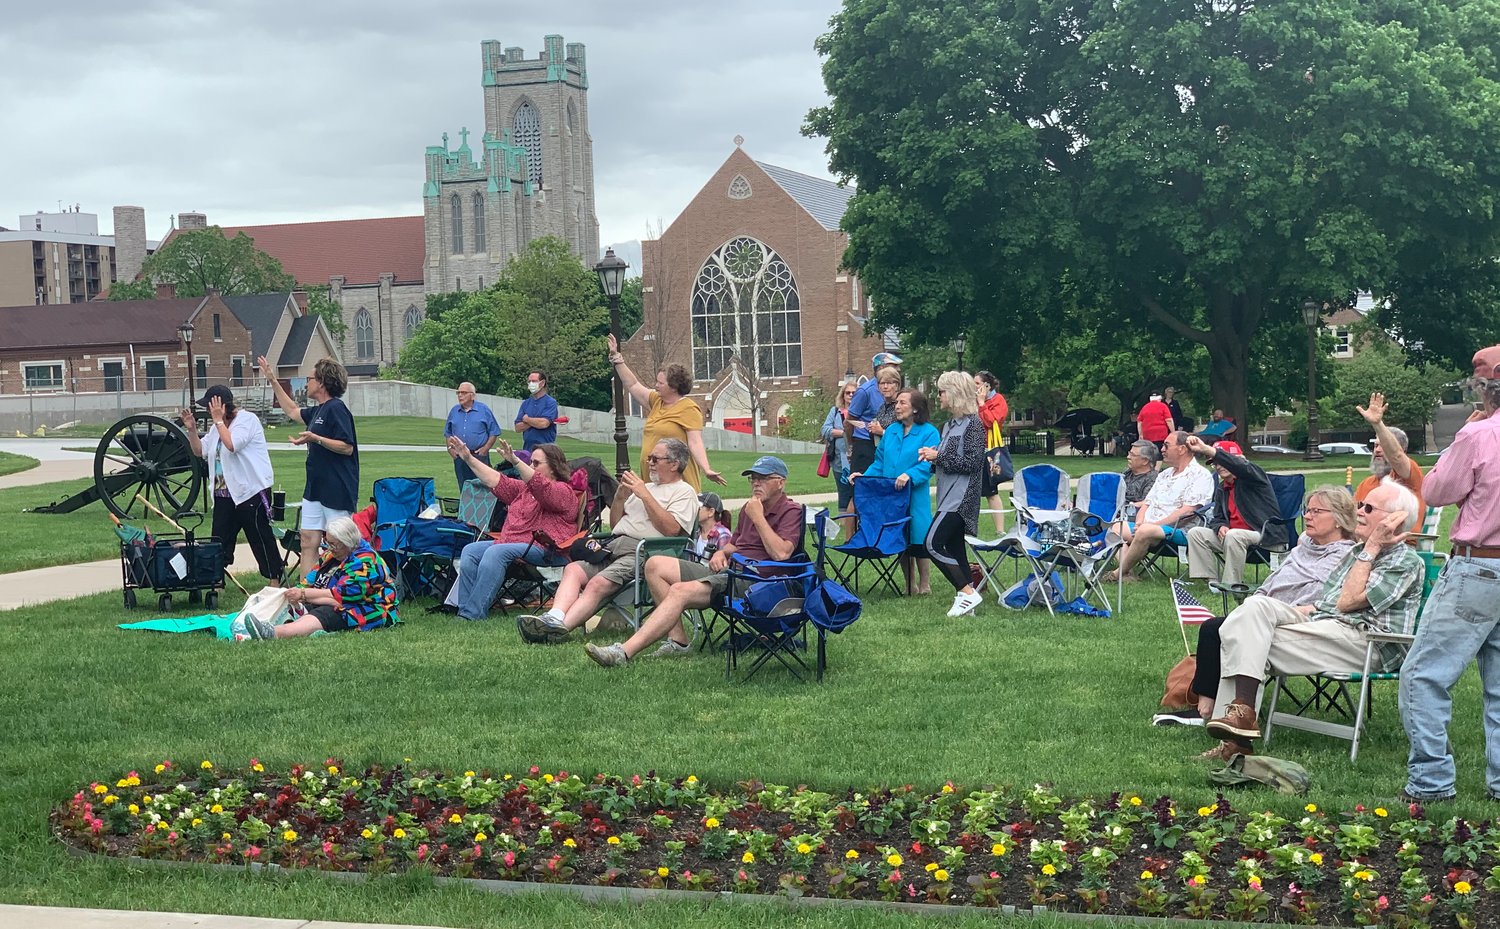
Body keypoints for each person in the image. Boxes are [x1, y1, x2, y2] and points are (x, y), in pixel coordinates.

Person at [1201, 480, 1424, 758]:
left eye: (1368, 507)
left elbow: (1348, 602)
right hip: (1327, 626)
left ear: (1394, 520)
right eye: (1359, 506)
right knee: (1254, 611)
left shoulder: (1404, 560)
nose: (1360, 513)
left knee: (1243, 637)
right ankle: (1241, 719)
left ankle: (1235, 743)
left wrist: (1373, 546)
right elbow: (1329, 603)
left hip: (1368, 642)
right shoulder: (1357, 552)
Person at [584, 456, 803, 667]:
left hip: (757, 582)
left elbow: (781, 554)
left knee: (680, 590)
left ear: (780, 482)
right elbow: (737, 544)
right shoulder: (751, 507)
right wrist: (722, 553)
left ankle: (623, 652)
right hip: (730, 573)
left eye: (763, 478)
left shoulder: (790, 511)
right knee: (655, 564)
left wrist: (759, 517)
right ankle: (678, 641)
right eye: (753, 478)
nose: (756, 483)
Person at [1186, 489, 1357, 753]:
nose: (1308, 516)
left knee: (1241, 626)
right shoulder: (1303, 550)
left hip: (1303, 620)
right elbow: (1271, 583)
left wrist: (1268, 606)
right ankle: (1232, 725)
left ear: (1338, 519)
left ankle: (1235, 721)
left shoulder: (1349, 556)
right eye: (1307, 510)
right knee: (1226, 627)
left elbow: (1335, 601)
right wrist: (1258, 600)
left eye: (1316, 511)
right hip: (1265, 615)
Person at [1399, 371, 1500, 803]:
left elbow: (1437, 491)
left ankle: (1432, 782)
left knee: (1422, 675)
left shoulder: (1478, 434)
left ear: (1487, 395)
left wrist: (1465, 431)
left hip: (1479, 568)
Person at [516, 438, 697, 644]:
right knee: (573, 569)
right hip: (614, 545)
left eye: (655, 458)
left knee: (598, 583)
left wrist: (645, 496)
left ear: (674, 464)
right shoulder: (645, 487)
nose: (650, 463)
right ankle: (554, 617)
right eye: (649, 458)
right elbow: (616, 523)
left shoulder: (684, 492)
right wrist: (620, 496)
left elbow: (672, 530)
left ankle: (556, 631)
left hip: (645, 552)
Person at [446, 438, 579, 622]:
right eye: (530, 462)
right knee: (470, 551)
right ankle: (465, 609)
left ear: (554, 467)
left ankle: (472, 614)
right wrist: (468, 458)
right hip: (514, 543)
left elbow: (542, 486)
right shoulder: (525, 489)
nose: (531, 466)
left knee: (496, 552)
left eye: (536, 463)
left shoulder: (563, 491)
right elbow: (495, 480)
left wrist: (516, 462)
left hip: (546, 548)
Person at [258, 355, 357, 580]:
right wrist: (272, 380)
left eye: (310, 378)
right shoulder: (318, 410)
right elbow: (292, 411)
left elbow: (347, 447)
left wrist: (316, 438)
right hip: (315, 489)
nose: (307, 382)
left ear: (322, 382)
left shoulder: (336, 409)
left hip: (336, 489)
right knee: (307, 540)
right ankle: (306, 594)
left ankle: (345, 588)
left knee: (340, 543)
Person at [178, 384, 282, 581]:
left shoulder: (247, 420)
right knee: (219, 539)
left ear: (220, 405)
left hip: (250, 490)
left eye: (210, 407)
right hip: (223, 492)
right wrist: (191, 430)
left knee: (259, 536)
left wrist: (218, 421)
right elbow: (200, 450)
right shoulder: (216, 427)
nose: (208, 412)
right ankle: (216, 580)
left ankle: (274, 577)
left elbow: (232, 444)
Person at [237, 517, 398, 639]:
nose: (329, 548)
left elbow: (343, 597)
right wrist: (297, 593)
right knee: (293, 603)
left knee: (326, 613)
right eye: (328, 543)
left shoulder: (364, 562)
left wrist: (304, 595)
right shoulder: (331, 554)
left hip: (368, 607)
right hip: (335, 600)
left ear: (348, 543)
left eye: (334, 544)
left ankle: (275, 633)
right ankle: (251, 626)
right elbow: (310, 580)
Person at [607, 334, 726, 490]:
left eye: (660, 383)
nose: (656, 385)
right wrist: (617, 359)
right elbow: (633, 384)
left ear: (674, 387)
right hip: (653, 481)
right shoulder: (656, 401)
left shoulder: (689, 409)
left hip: (677, 484)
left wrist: (706, 468)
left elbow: (695, 442)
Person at [853, 388, 940, 595]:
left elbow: (929, 463)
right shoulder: (891, 430)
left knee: (918, 536)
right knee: (899, 536)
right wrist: (864, 476)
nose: (897, 407)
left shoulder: (929, 432)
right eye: (897, 403)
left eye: (902, 403)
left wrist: (910, 474)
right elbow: (880, 461)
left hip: (914, 493)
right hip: (892, 495)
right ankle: (910, 583)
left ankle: (925, 583)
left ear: (916, 409)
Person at [920, 371, 986, 617]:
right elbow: (949, 460)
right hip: (948, 494)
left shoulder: (974, 425)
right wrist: (931, 457)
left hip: (962, 498)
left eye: (941, 391)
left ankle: (968, 593)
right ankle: (968, 603)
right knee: (955, 547)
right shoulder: (949, 426)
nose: (938, 397)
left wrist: (939, 456)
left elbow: (972, 463)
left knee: (932, 544)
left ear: (955, 393)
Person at [1108, 431, 1215, 581]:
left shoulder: (1200, 475)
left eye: (1166, 445)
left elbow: (1188, 511)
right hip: (1149, 526)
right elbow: (1147, 503)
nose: (1162, 450)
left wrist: (1152, 525)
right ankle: (1127, 574)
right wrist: (1140, 522)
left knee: (1145, 530)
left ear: (1182, 449)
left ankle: (1116, 574)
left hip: (1179, 529)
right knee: (1115, 528)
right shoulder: (1164, 474)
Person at [1184, 438, 1277, 588]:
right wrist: (1221, 526)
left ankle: (1230, 585)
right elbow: (1218, 517)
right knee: (1196, 533)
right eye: (1216, 463)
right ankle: (1212, 582)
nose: (1219, 466)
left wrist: (1207, 450)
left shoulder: (1254, 477)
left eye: (1223, 462)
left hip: (1262, 533)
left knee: (1234, 535)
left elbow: (1241, 466)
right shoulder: (1222, 487)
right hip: (1231, 537)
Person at [1354, 391, 1425, 517]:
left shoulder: (1409, 478)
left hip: (1399, 536)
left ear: (1402, 450)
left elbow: (1396, 456)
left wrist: (1377, 424)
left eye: (1383, 446)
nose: (1377, 450)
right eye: (1375, 445)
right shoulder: (1365, 485)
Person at [845, 352, 903, 475]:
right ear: (880, 368)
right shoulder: (865, 391)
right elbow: (849, 420)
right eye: (894, 367)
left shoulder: (899, 398)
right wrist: (851, 446)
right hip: (865, 444)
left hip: (887, 445)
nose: (898, 371)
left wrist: (882, 432)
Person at [444, 382, 500, 487]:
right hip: (460, 457)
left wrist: (485, 449)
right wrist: (450, 449)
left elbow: (494, 431)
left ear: (472, 395)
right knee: (463, 486)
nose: (460, 395)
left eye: (464, 392)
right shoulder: (454, 411)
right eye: (458, 392)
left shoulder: (483, 410)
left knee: (483, 486)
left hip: (479, 456)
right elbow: (448, 433)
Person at [975, 371, 1010, 533]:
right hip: (974, 449)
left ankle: (1000, 530)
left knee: (991, 491)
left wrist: (982, 404)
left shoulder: (998, 400)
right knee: (970, 492)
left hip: (989, 451)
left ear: (987, 386)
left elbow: (991, 422)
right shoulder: (973, 401)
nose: (973, 388)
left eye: (977, 384)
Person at [820, 379, 859, 511]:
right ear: (843, 395)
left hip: (858, 458)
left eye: (854, 393)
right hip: (839, 460)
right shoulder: (835, 411)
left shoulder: (863, 411)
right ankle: (844, 519)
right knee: (843, 492)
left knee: (857, 490)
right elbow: (825, 430)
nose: (851, 395)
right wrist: (843, 433)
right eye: (848, 393)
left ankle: (857, 519)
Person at [514, 370, 559, 451]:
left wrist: (527, 420)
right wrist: (535, 422)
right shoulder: (526, 403)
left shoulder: (550, 402)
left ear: (542, 383)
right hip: (528, 448)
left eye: (534, 381)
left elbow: (544, 423)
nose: (531, 384)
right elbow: (518, 428)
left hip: (546, 449)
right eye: (529, 381)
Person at [690, 491, 733, 559]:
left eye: (698, 507)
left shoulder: (723, 534)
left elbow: (723, 566)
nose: (694, 510)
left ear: (711, 512)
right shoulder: (695, 530)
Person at [1122, 440, 1160, 507]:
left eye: (1132, 455)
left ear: (1145, 461)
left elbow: (1146, 503)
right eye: (1129, 453)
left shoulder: (1154, 480)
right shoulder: (1126, 473)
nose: (1128, 457)